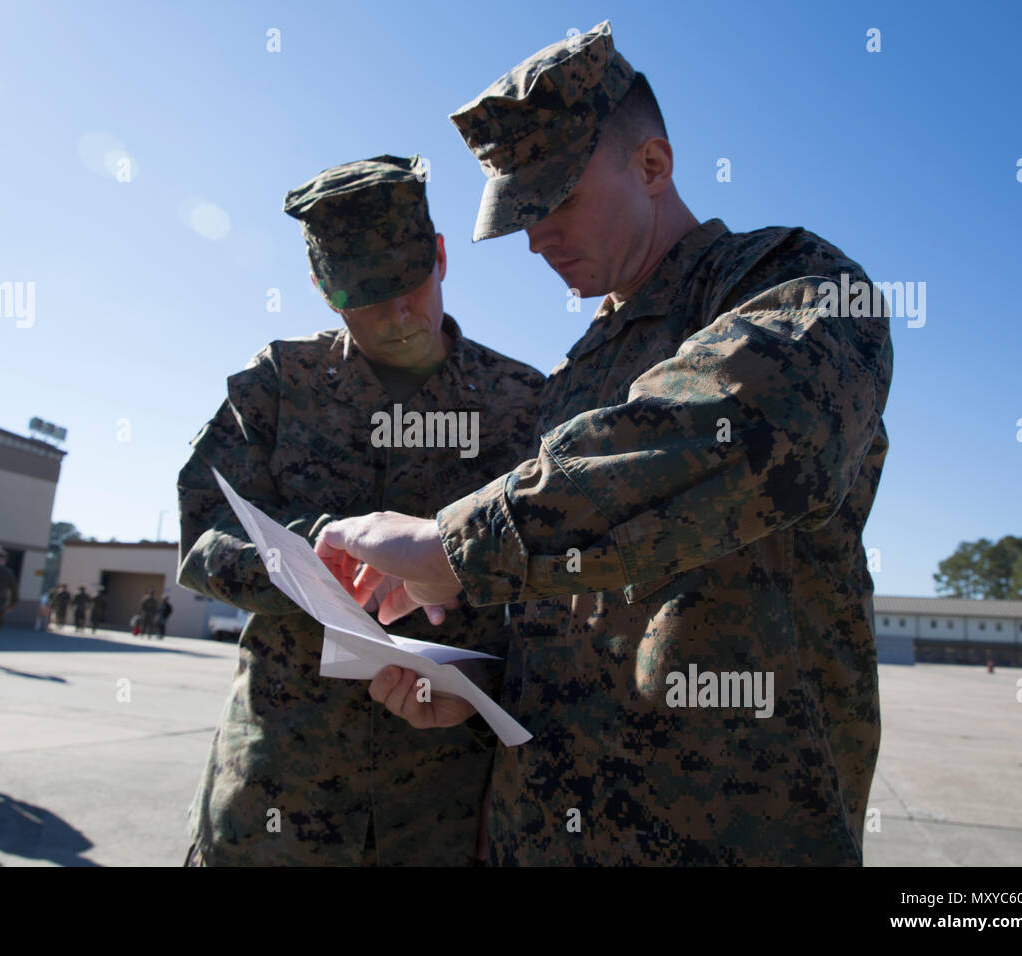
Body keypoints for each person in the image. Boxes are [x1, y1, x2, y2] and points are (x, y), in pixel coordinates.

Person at [315, 23, 893, 866]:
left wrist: (454, 544)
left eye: (554, 202)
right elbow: (577, 590)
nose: (536, 237)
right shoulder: (576, 371)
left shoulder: (794, 286)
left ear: (652, 165)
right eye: (519, 217)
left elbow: (742, 430)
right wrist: (481, 684)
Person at [176, 154, 545, 866]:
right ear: (321, 288)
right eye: (365, 294)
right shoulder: (279, 385)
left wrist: (484, 685)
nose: (397, 314)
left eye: (409, 284)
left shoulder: (522, 402)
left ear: (440, 257)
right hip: (280, 793)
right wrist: (308, 552)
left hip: (443, 802)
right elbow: (201, 537)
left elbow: (559, 593)